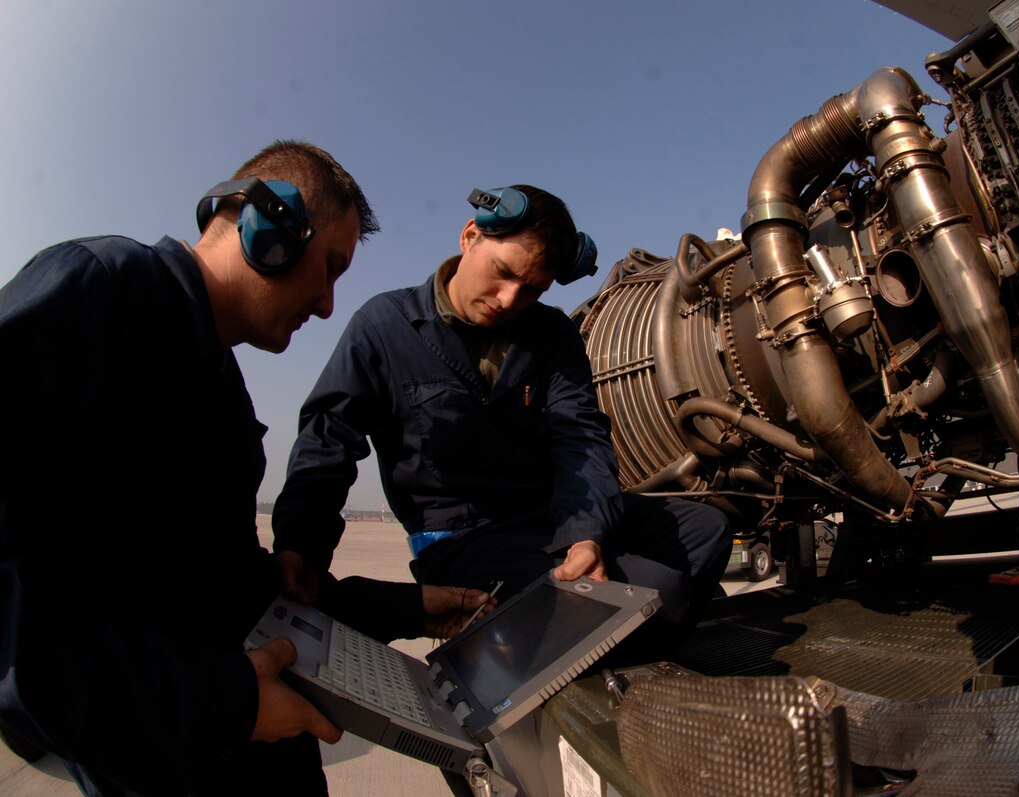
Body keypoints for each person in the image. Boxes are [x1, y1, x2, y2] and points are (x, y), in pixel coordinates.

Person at [0, 140, 493, 796]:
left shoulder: (221, 388)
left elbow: (230, 600)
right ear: (271, 228)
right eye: (330, 267)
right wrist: (227, 702)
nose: (325, 303)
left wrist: (413, 608)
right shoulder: (102, 288)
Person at [272, 184, 731, 663]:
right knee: (663, 593)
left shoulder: (552, 336)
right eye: (504, 273)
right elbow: (329, 438)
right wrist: (300, 543)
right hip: (463, 541)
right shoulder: (384, 325)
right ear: (470, 236)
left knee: (708, 529)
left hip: (550, 518)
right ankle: (585, 677)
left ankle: (590, 647)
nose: (510, 298)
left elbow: (581, 438)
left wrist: (585, 532)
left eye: (532, 288)